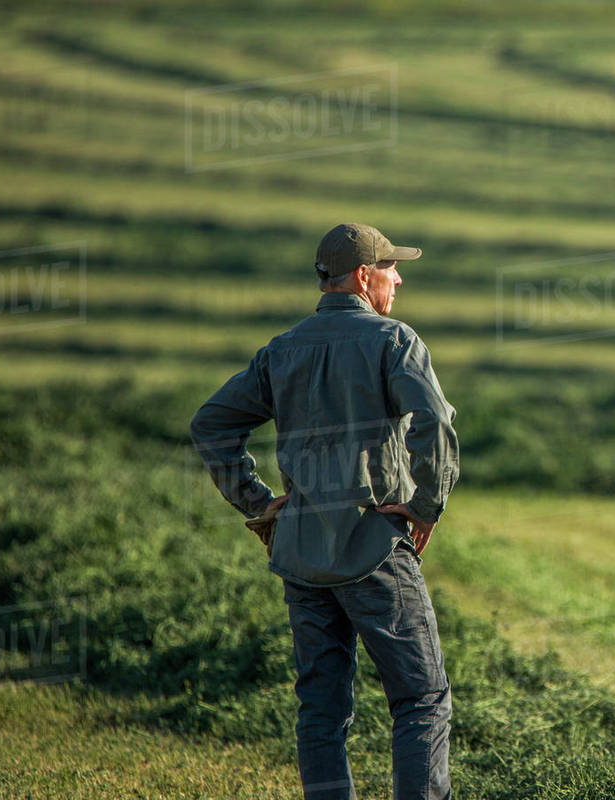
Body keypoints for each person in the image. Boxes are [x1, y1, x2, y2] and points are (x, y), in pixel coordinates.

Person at [190, 222, 459, 800]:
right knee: (421, 700)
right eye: (391, 267)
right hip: (373, 546)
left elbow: (211, 424)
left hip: (301, 553)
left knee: (321, 710)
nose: (399, 277)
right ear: (364, 276)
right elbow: (435, 423)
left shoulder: (283, 349)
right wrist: (425, 506)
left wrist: (261, 505)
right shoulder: (394, 341)